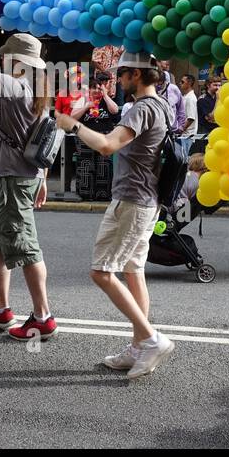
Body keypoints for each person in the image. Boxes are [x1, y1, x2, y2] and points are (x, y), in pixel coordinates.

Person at [56, 52, 175, 379]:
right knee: (134, 270)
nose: (117, 80)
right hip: (147, 199)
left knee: (101, 272)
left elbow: (108, 145)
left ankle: (150, 339)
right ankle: (139, 345)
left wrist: (73, 124)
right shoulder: (162, 104)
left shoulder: (142, 109)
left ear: (136, 75)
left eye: (121, 74)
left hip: (132, 200)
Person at [0, 13, 57, 342]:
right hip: (19, 176)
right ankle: (2, 309)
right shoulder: (37, 90)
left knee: (26, 247)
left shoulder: (14, 86)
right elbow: (42, 140)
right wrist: (42, 178)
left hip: (14, 179)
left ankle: (42, 316)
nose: (0, 57)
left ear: (17, 61)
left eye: (5, 54)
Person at [177, 74, 199, 158]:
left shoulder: (191, 98)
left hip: (187, 135)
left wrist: (181, 130)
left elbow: (191, 118)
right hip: (184, 135)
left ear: (189, 83)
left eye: (182, 82)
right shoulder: (185, 96)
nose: (180, 83)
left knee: (184, 159)